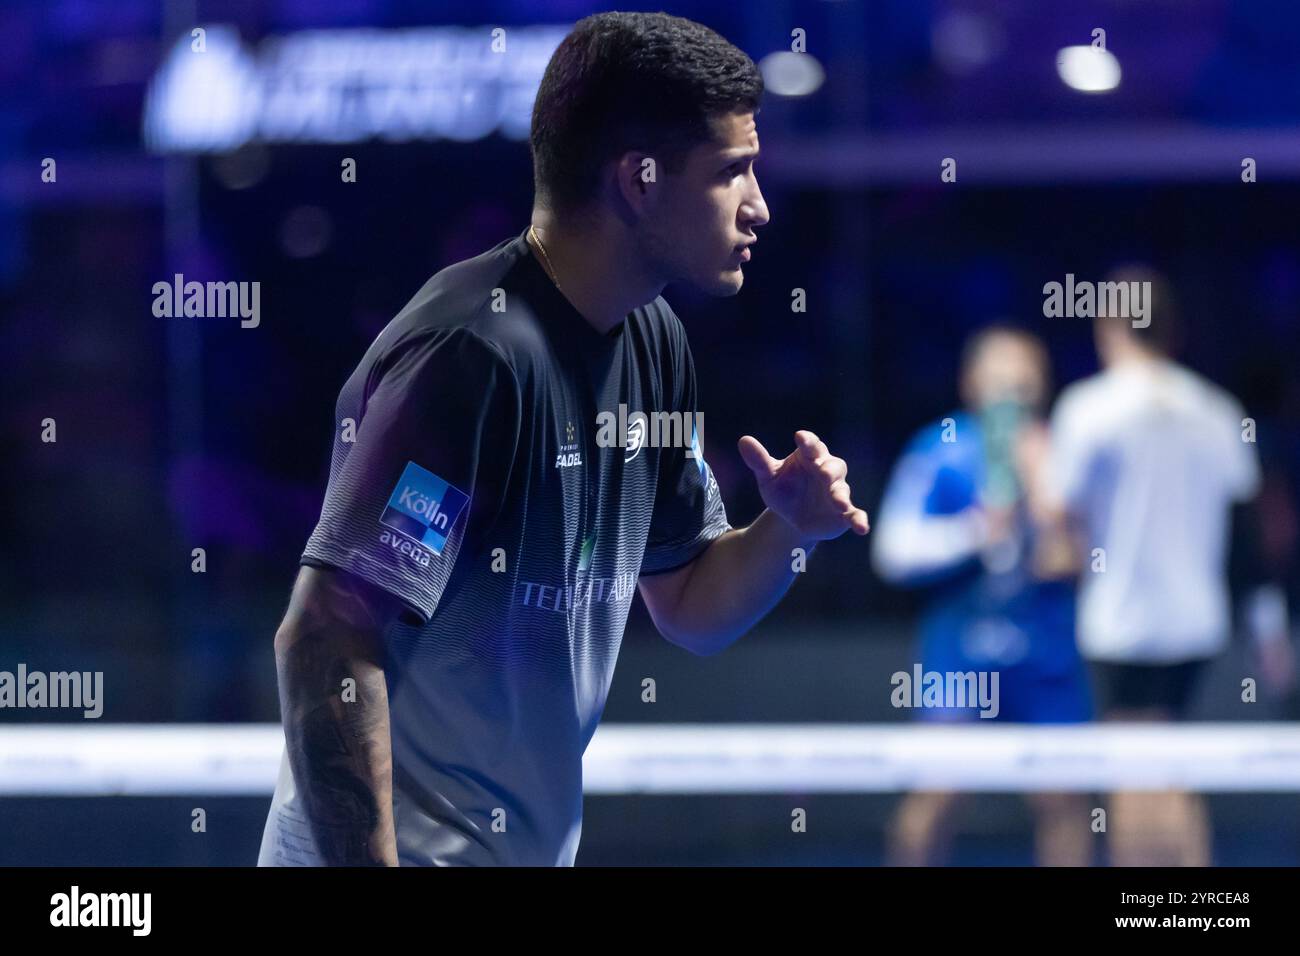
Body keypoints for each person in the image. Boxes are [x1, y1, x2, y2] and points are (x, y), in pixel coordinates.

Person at [258, 11, 869, 867]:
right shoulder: (470, 356)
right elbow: (326, 635)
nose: (759, 207)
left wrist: (790, 530)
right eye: (732, 172)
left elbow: (691, 605)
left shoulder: (654, 341)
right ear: (641, 180)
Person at [1035, 267, 1265, 865]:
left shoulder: (1087, 409)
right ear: (1173, 330)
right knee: (1172, 774)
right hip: (1198, 625)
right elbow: (1250, 518)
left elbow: (1058, 523)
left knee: (1136, 782)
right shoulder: (1218, 410)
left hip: (1123, 624)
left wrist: (1031, 468)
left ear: (1110, 327)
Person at [873, 325, 1093, 866]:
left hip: (1048, 652)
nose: (1011, 397)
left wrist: (1048, 504)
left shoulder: (1063, 450)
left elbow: (1084, 562)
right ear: (970, 383)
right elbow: (892, 553)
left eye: (1024, 384)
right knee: (937, 791)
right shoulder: (937, 449)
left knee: (1063, 800)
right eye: (999, 383)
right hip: (960, 651)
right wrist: (975, 532)